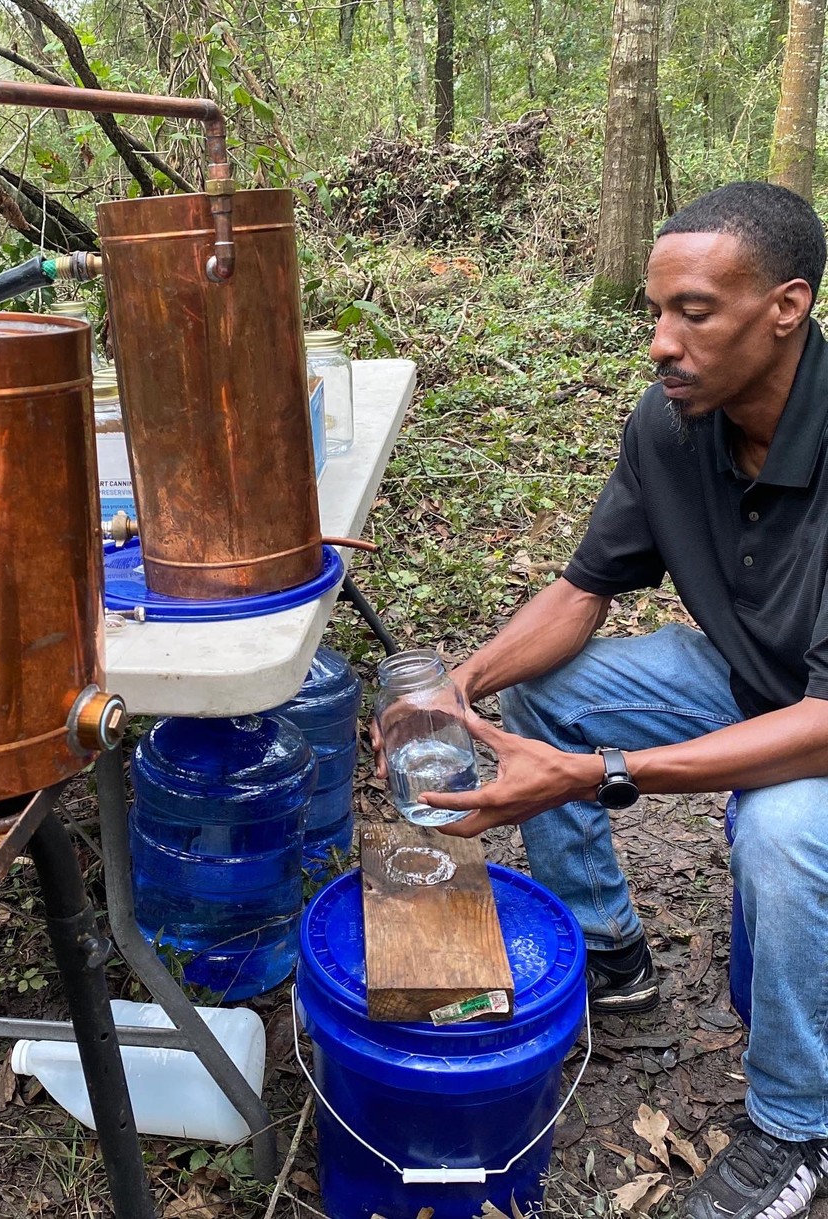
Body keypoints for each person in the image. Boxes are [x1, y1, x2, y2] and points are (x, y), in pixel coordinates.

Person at [372, 181, 828, 1219]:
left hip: (819, 719)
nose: (661, 343)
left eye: (695, 313)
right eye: (657, 313)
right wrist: (460, 684)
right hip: (751, 676)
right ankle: (611, 955)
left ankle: (794, 1125)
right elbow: (584, 590)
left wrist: (603, 775)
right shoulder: (674, 424)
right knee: (546, 691)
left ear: (786, 307)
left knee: (785, 830)